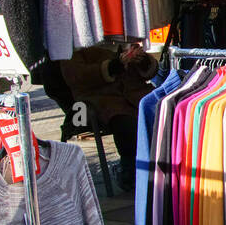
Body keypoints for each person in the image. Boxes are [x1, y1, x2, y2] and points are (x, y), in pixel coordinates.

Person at [59, 41, 159, 192]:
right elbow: (76, 76)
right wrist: (112, 66)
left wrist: (142, 60)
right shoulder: (75, 45)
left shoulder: (121, 35)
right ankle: (129, 171)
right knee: (126, 123)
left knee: (165, 110)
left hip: (136, 93)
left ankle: (167, 164)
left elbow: (150, 72)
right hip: (100, 98)